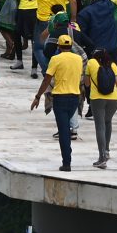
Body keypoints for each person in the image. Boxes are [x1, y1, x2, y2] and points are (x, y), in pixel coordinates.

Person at [31, 31, 84, 172]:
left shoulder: (56, 59)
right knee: (66, 127)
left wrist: (37, 97)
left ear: (58, 46)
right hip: (74, 98)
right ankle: (68, 157)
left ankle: (67, 162)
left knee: (63, 131)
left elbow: (47, 79)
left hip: (60, 98)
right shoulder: (78, 59)